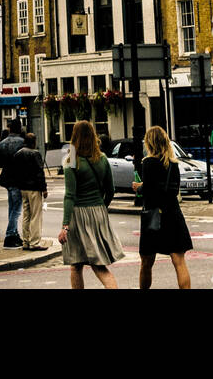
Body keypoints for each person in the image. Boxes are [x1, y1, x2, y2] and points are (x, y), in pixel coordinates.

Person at [58, 119, 123, 290]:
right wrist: (102, 207)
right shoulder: (102, 158)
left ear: (74, 137)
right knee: (98, 263)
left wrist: (65, 225)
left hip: (78, 215)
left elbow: (70, 196)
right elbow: (111, 190)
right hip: (98, 211)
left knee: (76, 264)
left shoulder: (71, 160)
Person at [134, 125, 192, 289]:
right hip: (173, 214)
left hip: (154, 216)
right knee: (179, 261)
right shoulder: (173, 164)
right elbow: (173, 189)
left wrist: (139, 188)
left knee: (146, 261)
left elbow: (150, 191)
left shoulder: (148, 163)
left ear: (150, 143)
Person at [15, 131, 50, 250]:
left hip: (23, 188)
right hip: (34, 188)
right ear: (34, 142)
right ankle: (34, 242)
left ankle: (26, 241)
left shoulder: (18, 154)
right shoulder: (35, 154)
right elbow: (39, 172)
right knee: (36, 216)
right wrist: (44, 189)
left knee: (26, 215)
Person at [0, 117, 25, 248]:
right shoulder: (22, 142)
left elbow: (0, 163)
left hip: (7, 178)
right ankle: (10, 235)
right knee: (17, 209)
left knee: (12, 207)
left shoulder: (2, 143)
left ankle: (14, 234)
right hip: (18, 178)